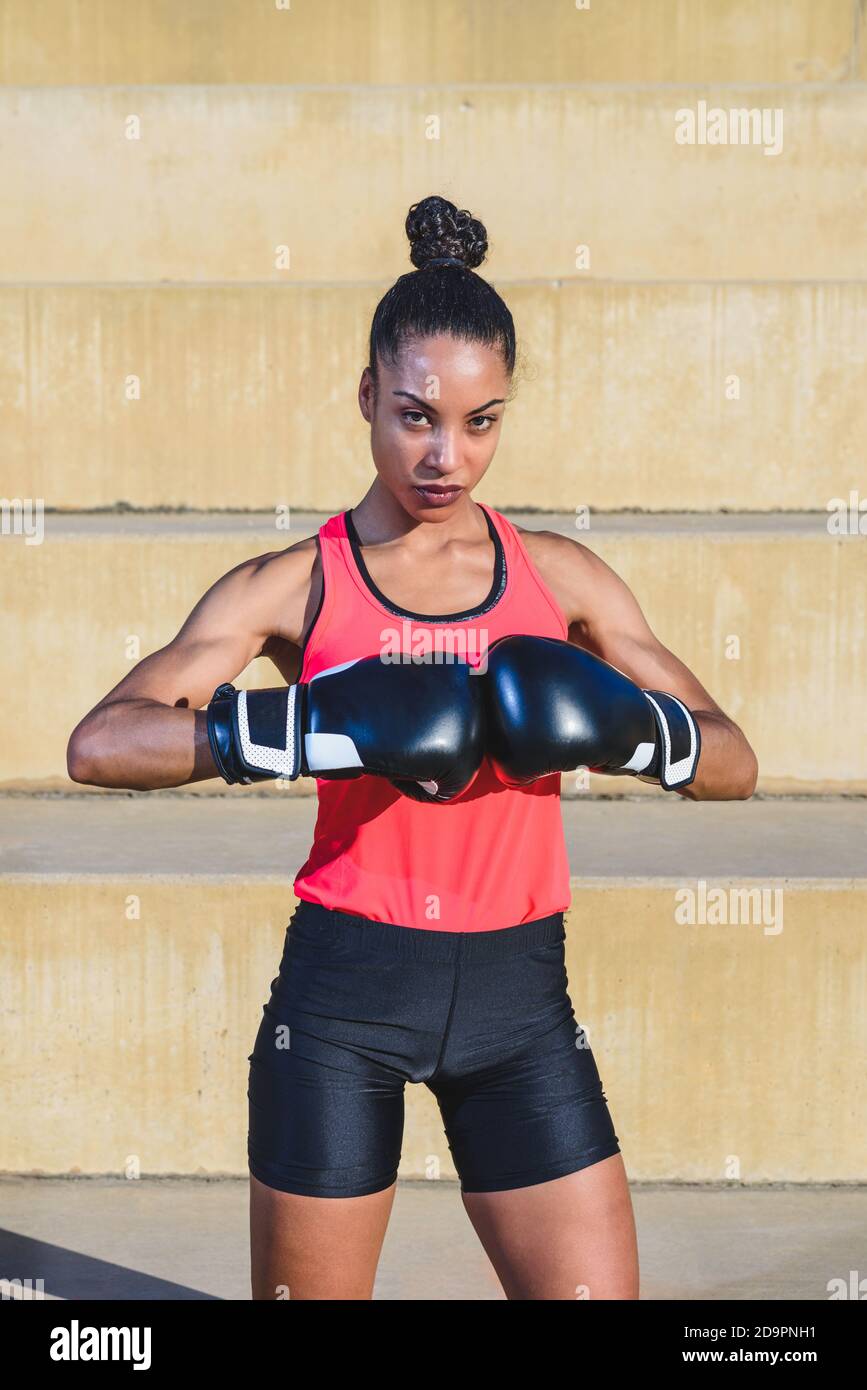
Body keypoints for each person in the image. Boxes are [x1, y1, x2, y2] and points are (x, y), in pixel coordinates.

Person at [67, 194, 758, 1300]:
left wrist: (635, 733)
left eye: (481, 422)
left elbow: (736, 760)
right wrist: (302, 728)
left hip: (521, 1001)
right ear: (365, 399)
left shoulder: (560, 579)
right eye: (415, 415)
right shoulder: (298, 582)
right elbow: (102, 743)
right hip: (342, 1001)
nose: (447, 454)